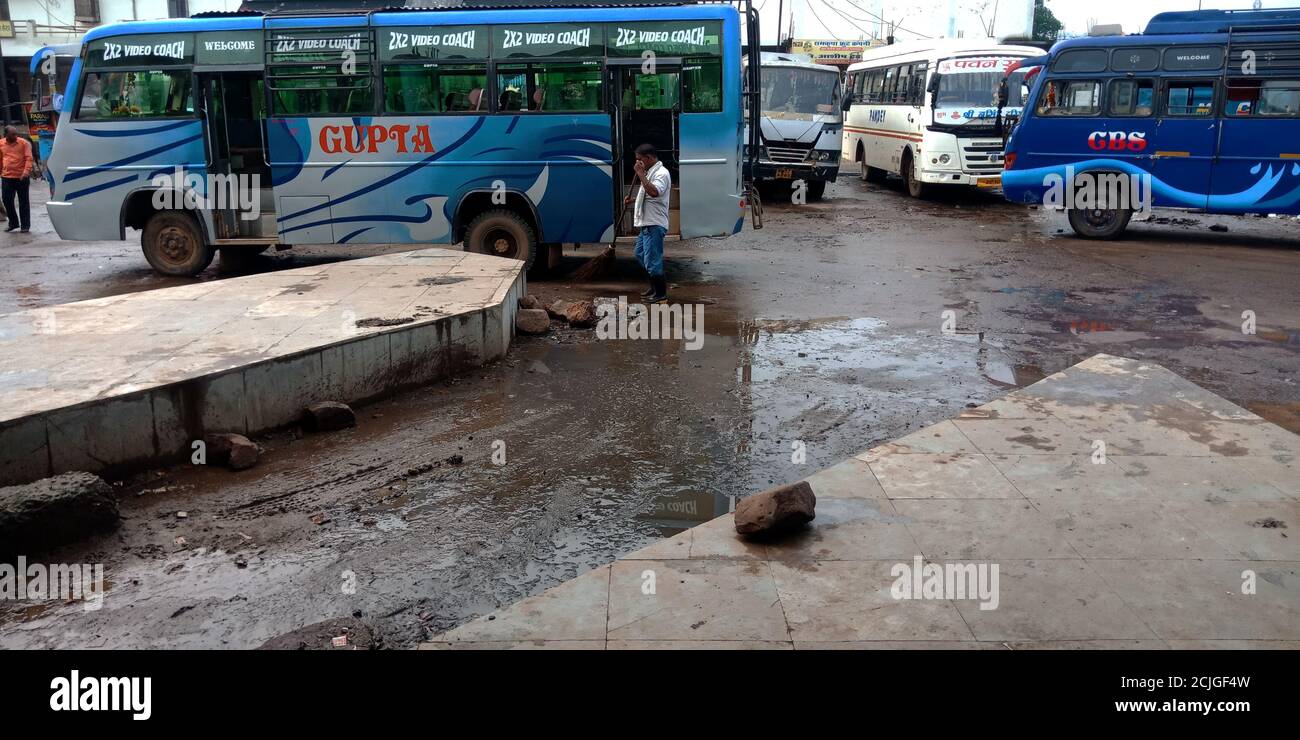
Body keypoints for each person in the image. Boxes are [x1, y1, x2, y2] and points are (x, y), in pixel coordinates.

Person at [624, 143, 672, 303]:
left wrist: (640, 175)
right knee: (640, 254)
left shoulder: (661, 173)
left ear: (649, 158)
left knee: (652, 260)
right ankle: (653, 287)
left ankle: (660, 295)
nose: (637, 163)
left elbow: (654, 192)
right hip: (647, 223)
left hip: (655, 223)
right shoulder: (650, 172)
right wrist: (632, 200)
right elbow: (646, 195)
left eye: (640, 160)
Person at [1, 126, 34, 233]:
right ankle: (13, 223)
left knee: (23, 202)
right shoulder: (1, 144)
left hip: (21, 177)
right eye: (13, 134)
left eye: (16, 134)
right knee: (6, 200)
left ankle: (25, 226)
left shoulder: (24, 143)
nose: (15, 136)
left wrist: (25, 172)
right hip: (7, 176)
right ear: (6, 135)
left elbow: (29, 158)